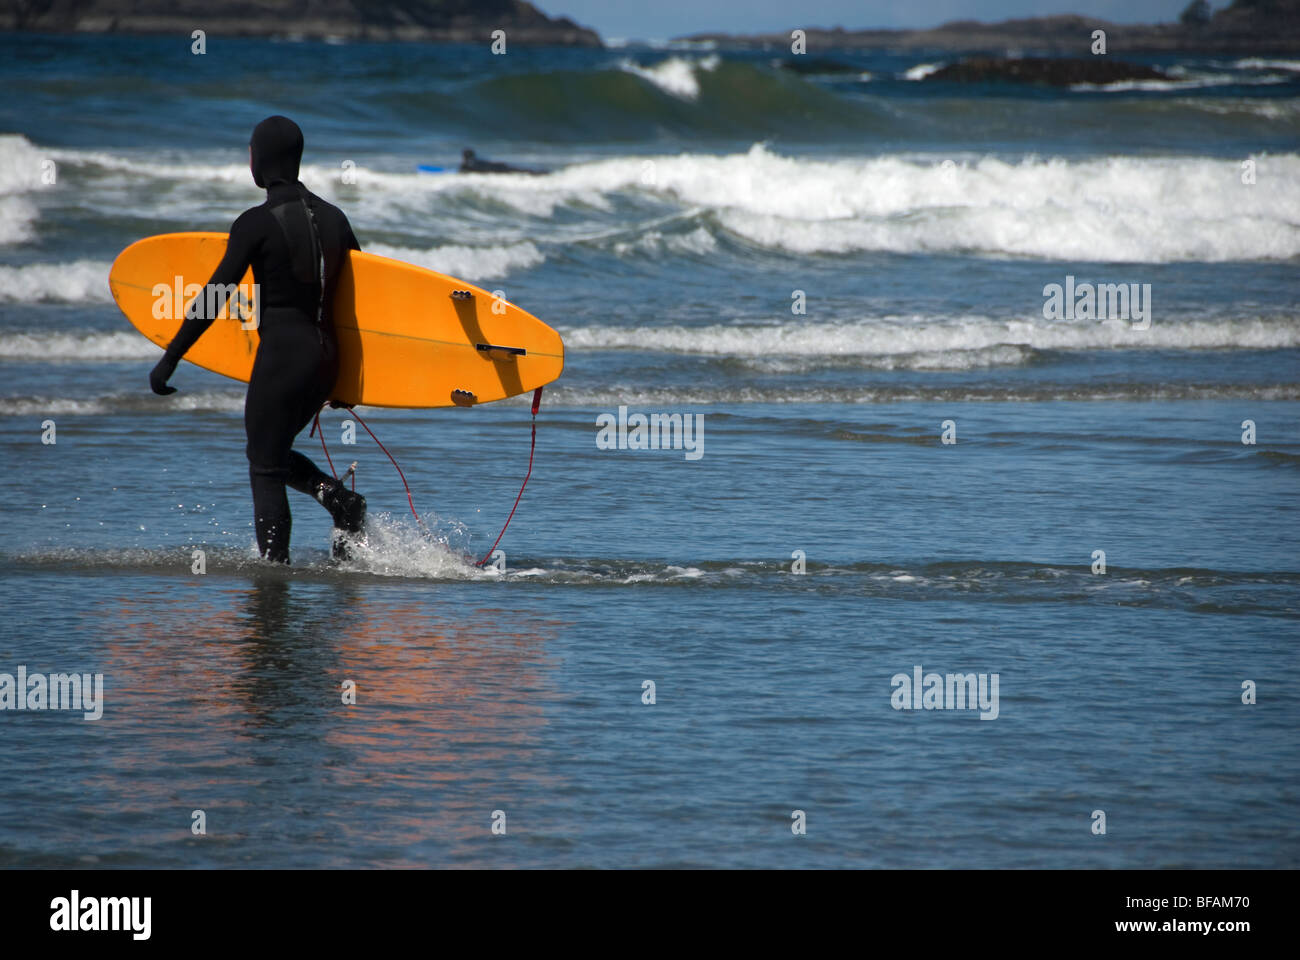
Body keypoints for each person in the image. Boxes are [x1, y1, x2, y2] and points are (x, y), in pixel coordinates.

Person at [148, 115, 366, 564]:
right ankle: (340, 502)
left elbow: (215, 295)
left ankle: (274, 575)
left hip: (283, 357)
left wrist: (171, 357)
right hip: (326, 359)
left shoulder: (255, 222)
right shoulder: (335, 218)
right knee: (269, 451)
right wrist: (351, 379)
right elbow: (359, 304)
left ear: (260, 160)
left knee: (264, 466)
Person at [459, 148, 547, 175]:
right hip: (498, 166)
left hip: (496, 168)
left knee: (517, 170)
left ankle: (537, 172)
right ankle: (537, 172)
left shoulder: (468, 164)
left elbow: (463, 170)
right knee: (517, 169)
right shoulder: (475, 161)